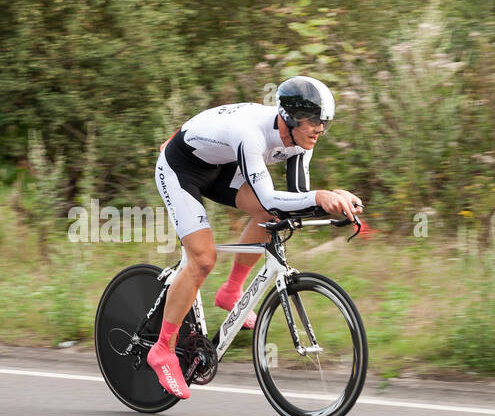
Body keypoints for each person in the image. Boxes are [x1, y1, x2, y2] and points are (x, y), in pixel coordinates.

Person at [148, 76, 364, 398]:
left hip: (218, 167)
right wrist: (320, 197)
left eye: (324, 124)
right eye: (313, 123)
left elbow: (296, 199)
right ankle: (162, 348)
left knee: (273, 217)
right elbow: (269, 196)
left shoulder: (300, 142)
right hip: (180, 168)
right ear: (289, 118)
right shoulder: (251, 133)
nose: (319, 130)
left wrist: (333, 204)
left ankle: (231, 291)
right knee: (203, 259)